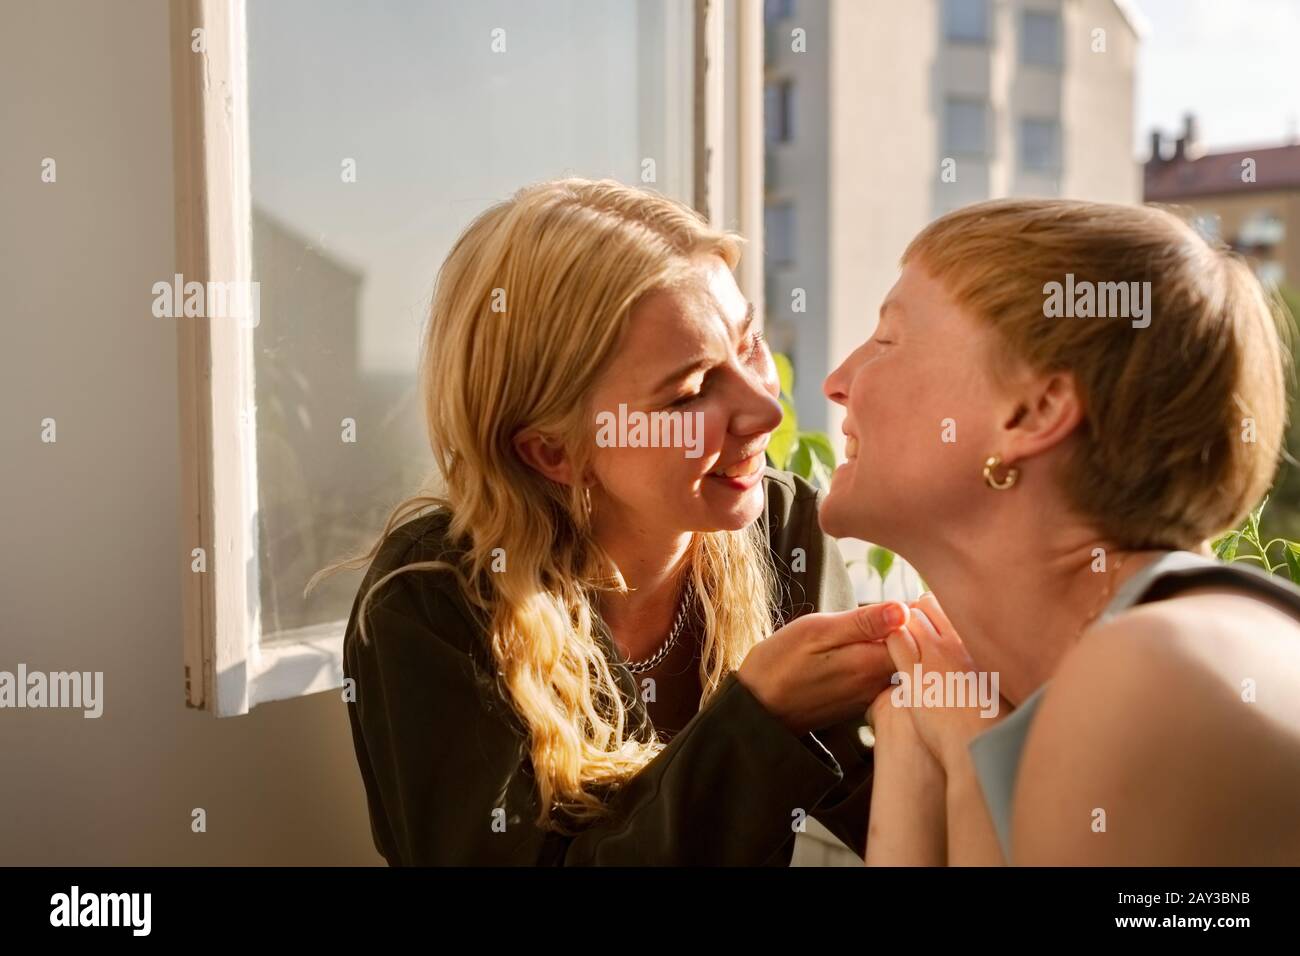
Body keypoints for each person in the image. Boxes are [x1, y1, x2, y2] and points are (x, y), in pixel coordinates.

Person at [311, 178, 903, 865]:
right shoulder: (436, 602)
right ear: (553, 450)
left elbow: (888, 808)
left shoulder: (786, 527)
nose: (767, 414)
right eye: (688, 393)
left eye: (749, 346)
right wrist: (757, 723)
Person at [822, 198, 1300, 865]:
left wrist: (966, 775)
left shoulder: (1152, 681)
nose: (838, 381)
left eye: (888, 341)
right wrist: (942, 761)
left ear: (1034, 411)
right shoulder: (1107, 670)